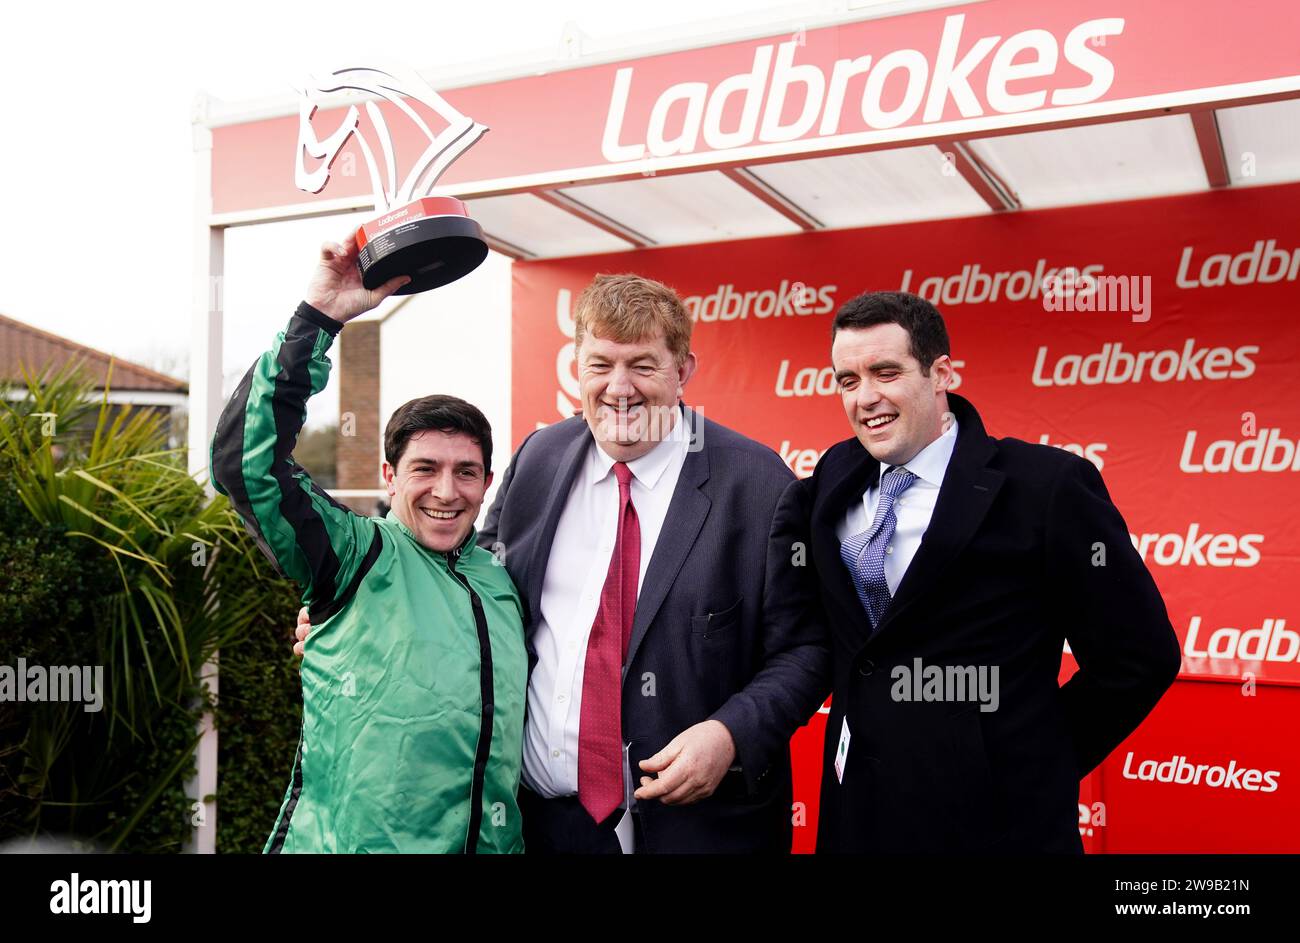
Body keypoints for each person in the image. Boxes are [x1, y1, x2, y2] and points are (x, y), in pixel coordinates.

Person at [298, 273, 830, 853]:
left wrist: (730, 734)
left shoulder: (758, 483)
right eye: (600, 364)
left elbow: (806, 649)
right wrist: (356, 619)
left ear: (684, 371)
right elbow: (470, 583)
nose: (619, 388)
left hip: (700, 830)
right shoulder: (540, 459)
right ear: (576, 366)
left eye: (643, 366)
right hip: (545, 825)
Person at [797, 290, 1181, 853]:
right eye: (847, 381)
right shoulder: (836, 470)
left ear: (941, 373)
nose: (866, 398)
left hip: (998, 828)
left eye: (885, 372)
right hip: (858, 813)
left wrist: (1029, 760)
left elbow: (1140, 657)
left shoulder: (1047, 487)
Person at [212, 235, 527, 853]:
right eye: (424, 468)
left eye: (466, 472)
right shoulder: (355, 555)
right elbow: (245, 464)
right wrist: (318, 318)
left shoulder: (501, 581)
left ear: (488, 483)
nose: (447, 490)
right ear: (388, 476)